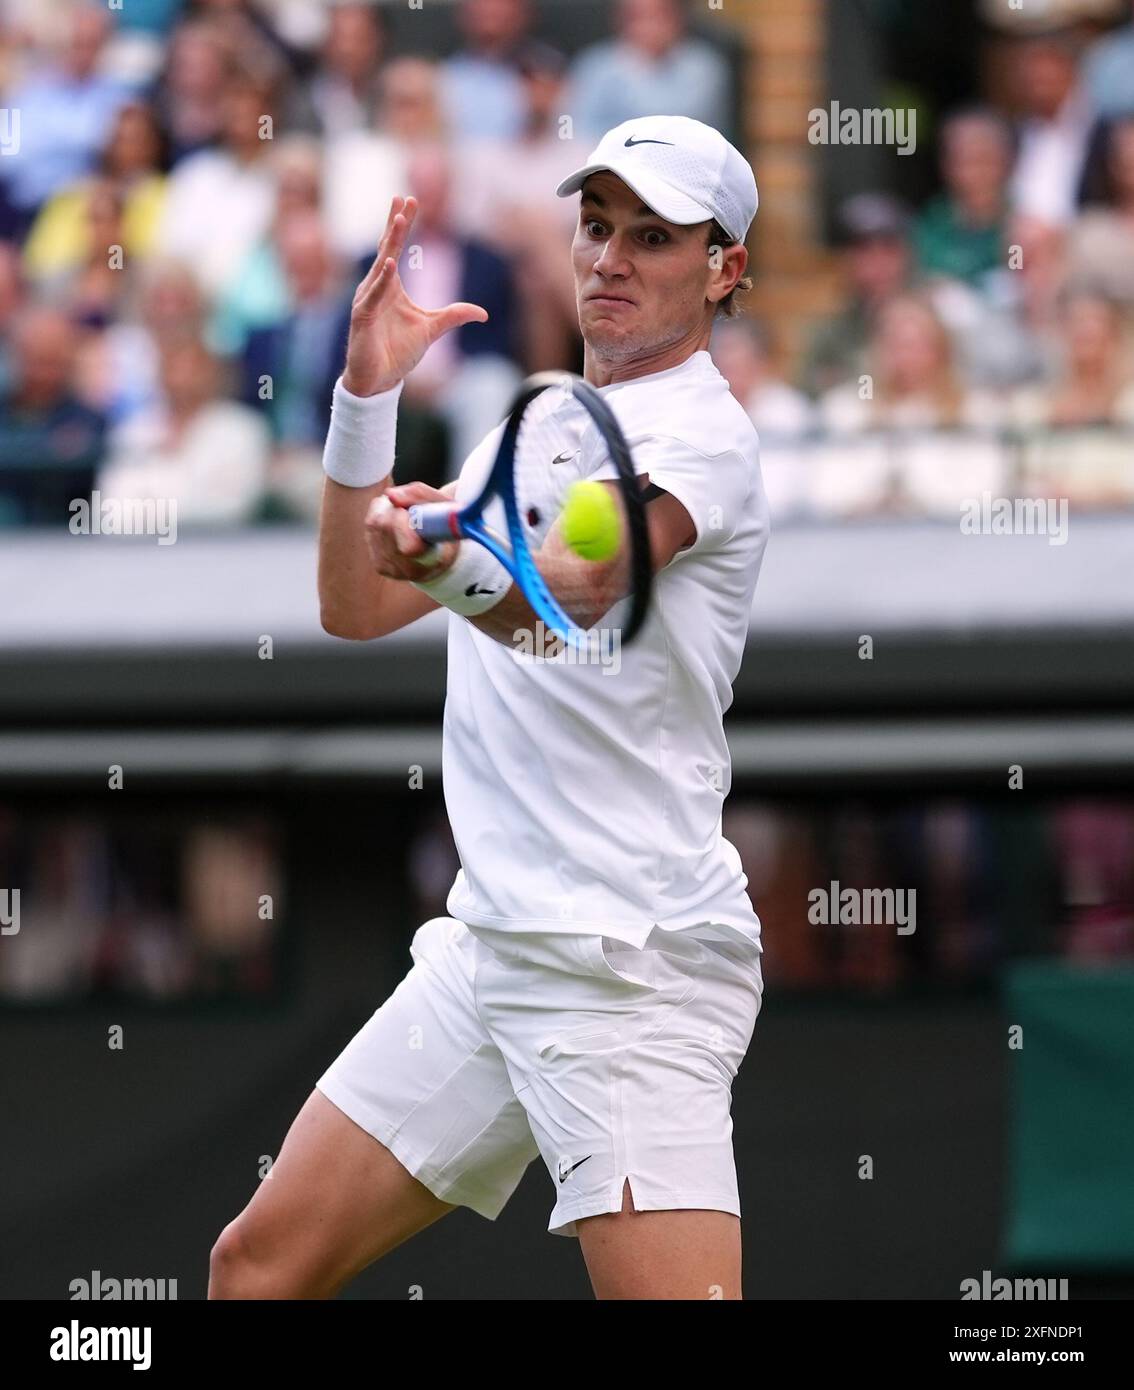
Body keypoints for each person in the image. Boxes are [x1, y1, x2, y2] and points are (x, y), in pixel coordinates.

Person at [209, 114, 770, 1301]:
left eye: (654, 237)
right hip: (494, 947)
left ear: (725, 269)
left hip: (630, 964)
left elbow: (578, 597)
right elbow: (355, 605)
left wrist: (448, 559)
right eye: (597, 226)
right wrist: (367, 396)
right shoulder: (542, 421)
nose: (610, 258)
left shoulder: (704, 436)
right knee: (256, 1270)